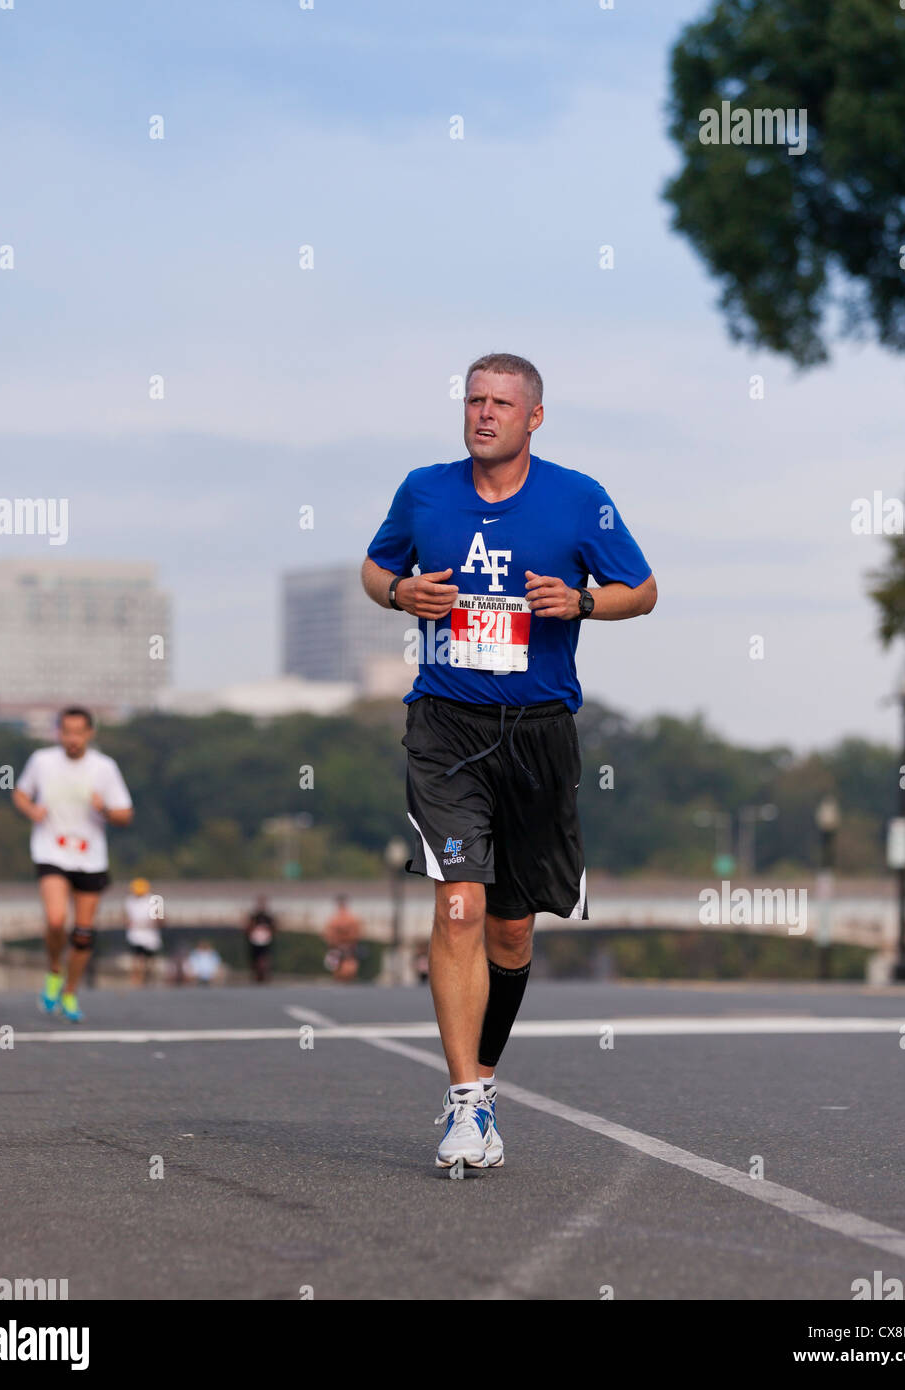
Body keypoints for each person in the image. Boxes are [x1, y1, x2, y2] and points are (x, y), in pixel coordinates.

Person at [361, 352, 656, 1169]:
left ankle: (483, 1081)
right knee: (459, 904)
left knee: (512, 927)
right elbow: (376, 566)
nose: (483, 414)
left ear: (533, 417)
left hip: (538, 729)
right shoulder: (424, 490)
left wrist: (585, 601)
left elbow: (645, 588)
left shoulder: (578, 498)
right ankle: (464, 1104)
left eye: (501, 403)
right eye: (473, 401)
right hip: (447, 723)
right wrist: (398, 593)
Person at [11, 706, 134, 1023]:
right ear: (58, 733)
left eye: (79, 732)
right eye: (67, 732)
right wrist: (32, 810)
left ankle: (70, 991)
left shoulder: (105, 768)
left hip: (90, 856)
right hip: (51, 850)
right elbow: (20, 793)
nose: (73, 739)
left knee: (82, 935)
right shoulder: (42, 761)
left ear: (90, 733)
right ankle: (54, 970)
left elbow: (125, 814)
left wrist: (104, 809)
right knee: (55, 920)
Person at [125, 878, 162, 986]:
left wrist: (153, 922)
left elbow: (161, 919)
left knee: (149, 960)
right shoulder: (129, 900)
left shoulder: (155, 900)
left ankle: (148, 978)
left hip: (150, 935)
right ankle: (137, 980)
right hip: (135, 934)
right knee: (137, 958)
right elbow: (126, 917)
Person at [323, 893, 363, 982]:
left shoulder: (335, 919)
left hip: (344, 946)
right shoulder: (349, 918)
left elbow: (328, 934)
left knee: (344, 965)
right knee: (339, 965)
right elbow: (357, 933)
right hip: (343, 946)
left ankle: (344, 977)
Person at [243, 895, 277, 983]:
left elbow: (274, 928)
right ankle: (256, 975)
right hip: (254, 942)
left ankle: (265, 974)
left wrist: (269, 934)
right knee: (254, 958)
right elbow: (248, 928)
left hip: (266, 941)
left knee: (264, 957)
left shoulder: (269, 917)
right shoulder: (253, 917)